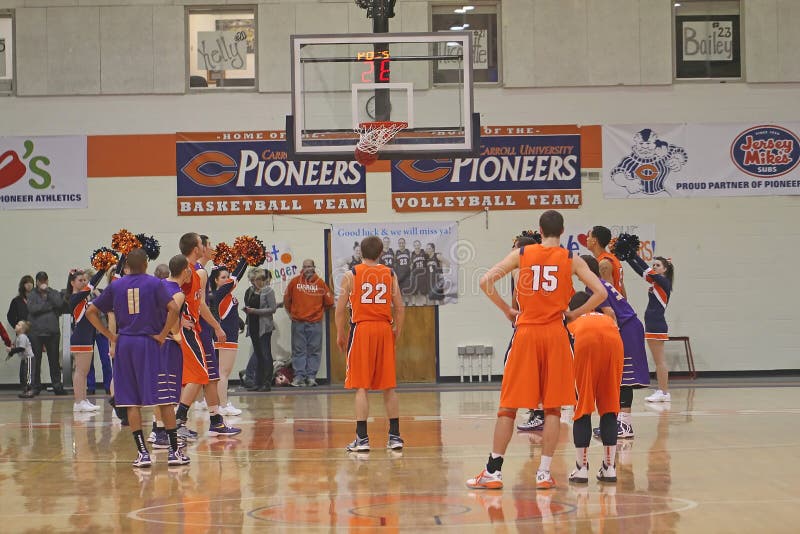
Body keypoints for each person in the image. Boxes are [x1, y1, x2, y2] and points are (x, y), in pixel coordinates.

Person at [466, 210, 607, 491]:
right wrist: (574, 314)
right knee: (552, 408)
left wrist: (507, 310)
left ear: (540, 231)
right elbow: (601, 293)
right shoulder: (572, 259)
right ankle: (543, 473)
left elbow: (484, 281)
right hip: (556, 335)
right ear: (562, 231)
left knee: (508, 407)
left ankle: (493, 471)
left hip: (527, 334)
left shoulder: (522, 254)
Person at [85, 248, 186, 468]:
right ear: (146, 265)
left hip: (125, 344)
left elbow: (90, 312)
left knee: (131, 401)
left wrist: (110, 335)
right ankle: (174, 452)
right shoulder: (154, 283)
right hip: (149, 343)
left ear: (127, 267)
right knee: (164, 399)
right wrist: (163, 334)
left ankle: (142, 454)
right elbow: (173, 309)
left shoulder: (116, 285)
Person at [335, 235, 405, 452]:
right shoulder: (390, 273)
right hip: (384, 328)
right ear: (381, 252)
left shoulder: (351, 274)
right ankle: (395, 437)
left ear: (360, 253)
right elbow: (400, 307)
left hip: (362, 329)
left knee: (361, 386)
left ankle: (362, 439)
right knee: (388, 386)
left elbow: (340, 309)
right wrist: (397, 330)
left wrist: (340, 333)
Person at [174, 232, 240, 438]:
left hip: (201, 330)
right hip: (194, 331)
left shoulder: (200, 272)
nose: (211, 248)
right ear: (199, 248)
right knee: (195, 377)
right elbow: (174, 296)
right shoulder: (190, 271)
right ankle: (172, 423)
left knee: (211, 377)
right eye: (208, 244)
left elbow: (198, 303)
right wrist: (179, 320)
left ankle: (216, 421)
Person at [581, 255, 649, 439]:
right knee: (618, 377)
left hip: (626, 329)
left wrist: (612, 338)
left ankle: (625, 425)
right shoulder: (600, 283)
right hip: (629, 327)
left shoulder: (593, 286)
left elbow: (610, 313)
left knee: (624, 378)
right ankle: (619, 422)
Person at [565, 291, 624, 484]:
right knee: (610, 407)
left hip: (585, 343)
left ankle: (581, 469)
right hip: (614, 341)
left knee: (582, 407)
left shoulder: (573, 322)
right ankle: (609, 467)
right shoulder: (605, 317)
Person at [150, 254, 192, 452]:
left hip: (153, 341)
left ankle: (158, 431)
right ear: (185, 271)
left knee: (160, 389)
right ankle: (161, 435)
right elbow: (172, 315)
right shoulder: (178, 293)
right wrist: (177, 335)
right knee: (167, 391)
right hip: (166, 343)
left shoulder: (159, 284)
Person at [626, 255, 675, 403]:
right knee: (658, 360)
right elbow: (640, 271)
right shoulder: (656, 282)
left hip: (656, 325)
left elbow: (646, 269)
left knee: (660, 361)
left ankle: (664, 392)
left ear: (665, 269)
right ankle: (662, 390)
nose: (654, 267)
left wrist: (633, 254)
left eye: (658, 265)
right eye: (654, 265)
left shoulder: (664, 282)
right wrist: (628, 258)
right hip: (653, 324)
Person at [284, 259, 334, 387]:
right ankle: (299, 377)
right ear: (302, 268)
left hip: (315, 323)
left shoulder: (320, 283)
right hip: (298, 323)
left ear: (314, 267)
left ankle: (311, 377)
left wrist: (317, 313)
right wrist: (293, 314)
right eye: (305, 266)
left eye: (309, 266)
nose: (307, 269)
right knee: (298, 351)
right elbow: (287, 300)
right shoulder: (295, 282)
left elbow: (329, 302)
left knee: (314, 351)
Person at [210, 258, 248, 411]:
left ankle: (219, 404)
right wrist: (246, 258)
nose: (227, 279)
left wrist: (238, 321)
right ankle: (224, 406)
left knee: (221, 373)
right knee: (223, 373)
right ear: (216, 280)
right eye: (223, 277)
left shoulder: (224, 294)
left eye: (227, 276)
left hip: (227, 335)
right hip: (226, 337)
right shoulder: (220, 292)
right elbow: (237, 275)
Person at [67, 268, 106, 413]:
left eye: (85, 280)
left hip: (86, 337)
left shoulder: (83, 298)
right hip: (81, 338)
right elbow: (92, 284)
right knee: (80, 371)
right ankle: (78, 402)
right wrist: (103, 269)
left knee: (84, 371)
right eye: (80, 280)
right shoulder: (75, 297)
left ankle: (83, 399)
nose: (84, 282)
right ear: (72, 283)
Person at [27, 271, 66, 395]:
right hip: (36, 333)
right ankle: (35, 386)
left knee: (54, 361)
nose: (43, 283)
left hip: (53, 332)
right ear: (37, 282)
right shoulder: (32, 294)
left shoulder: (53, 292)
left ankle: (57, 386)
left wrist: (48, 291)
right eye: (41, 281)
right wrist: (49, 306)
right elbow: (33, 309)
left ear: (47, 281)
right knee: (36, 361)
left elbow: (59, 304)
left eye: (45, 280)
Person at [243, 268, 277, 391]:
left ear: (262, 279)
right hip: (253, 325)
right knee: (258, 354)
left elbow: (272, 309)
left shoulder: (268, 291)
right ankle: (257, 382)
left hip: (264, 326)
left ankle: (266, 382)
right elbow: (248, 304)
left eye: (258, 279)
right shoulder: (249, 291)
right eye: (252, 280)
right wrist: (247, 311)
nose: (255, 282)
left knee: (265, 354)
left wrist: (255, 311)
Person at [587, 226, 627, 298]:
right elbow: (621, 289)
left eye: (589, 236)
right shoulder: (612, 258)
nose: (587, 239)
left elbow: (608, 294)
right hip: (618, 304)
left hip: (611, 304)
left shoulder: (604, 263)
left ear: (594, 241)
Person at [7, 274, 33, 387]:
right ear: (22, 285)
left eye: (31, 282)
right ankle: (25, 383)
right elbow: (10, 316)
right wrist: (18, 327)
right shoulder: (16, 301)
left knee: (33, 357)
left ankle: (33, 382)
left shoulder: (35, 299)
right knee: (24, 357)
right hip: (23, 333)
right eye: (26, 282)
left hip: (34, 332)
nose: (29, 285)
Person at [8, 321, 35, 398]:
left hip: (29, 358)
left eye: (18, 325)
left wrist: (12, 350)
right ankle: (25, 390)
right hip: (24, 359)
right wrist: (11, 352)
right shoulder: (18, 337)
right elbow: (15, 347)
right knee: (22, 375)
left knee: (28, 375)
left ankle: (30, 390)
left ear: (23, 329)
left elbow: (21, 348)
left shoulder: (23, 336)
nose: (16, 325)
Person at [393, 238, 413, 306]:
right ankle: (400, 306)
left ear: (405, 243)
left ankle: (407, 306)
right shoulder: (396, 252)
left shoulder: (408, 251)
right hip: (399, 275)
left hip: (407, 275)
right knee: (399, 292)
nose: (401, 244)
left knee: (407, 291)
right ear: (398, 244)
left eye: (402, 243)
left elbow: (411, 262)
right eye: (400, 243)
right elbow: (394, 263)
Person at [410, 240, 426, 306]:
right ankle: (413, 305)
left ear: (420, 245)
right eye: (415, 245)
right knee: (414, 293)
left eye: (418, 245)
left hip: (423, 275)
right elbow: (411, 265)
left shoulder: (424, 252)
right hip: (415, 276)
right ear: (414, 246)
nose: (417, 246)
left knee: (424, 293)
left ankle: (425, 306)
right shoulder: (412, 254)